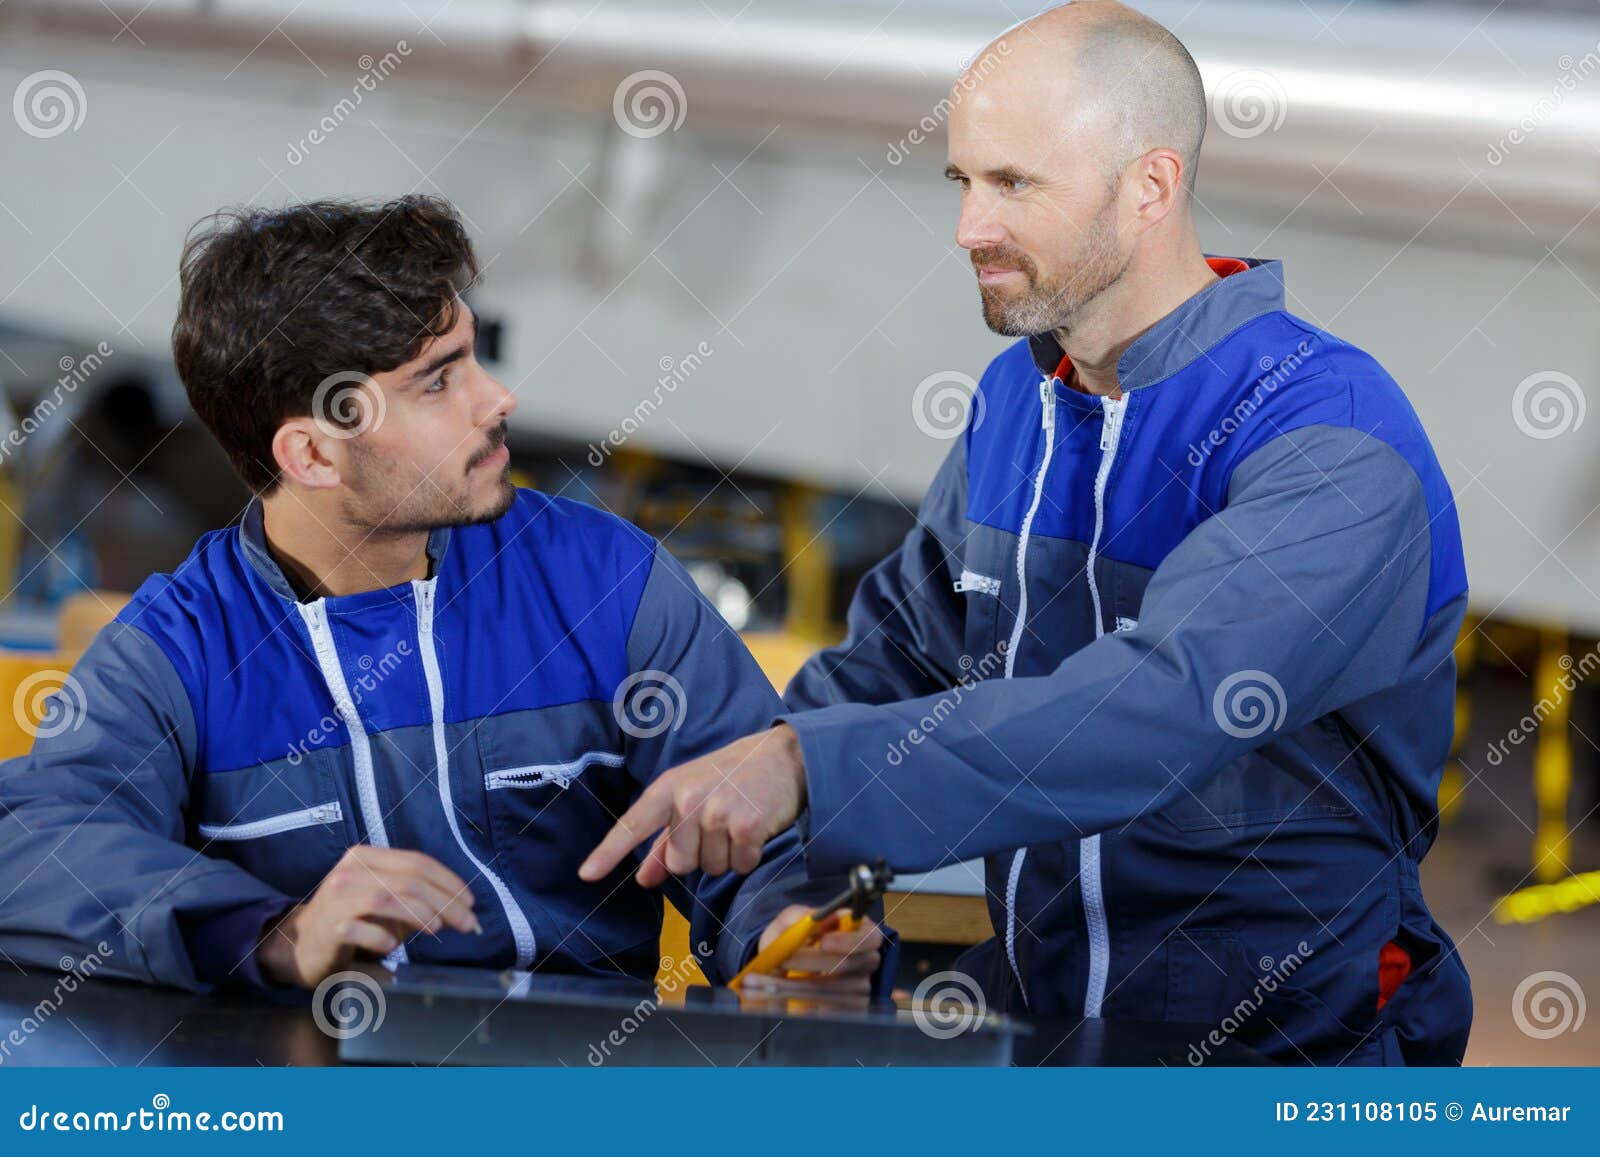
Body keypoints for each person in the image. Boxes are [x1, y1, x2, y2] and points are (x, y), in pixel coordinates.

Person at [582, 0, 1471, 1064]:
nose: (968, 227)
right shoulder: (1020, 404)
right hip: (1042, 1034)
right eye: (962, 180)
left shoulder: (1327, 432)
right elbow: (895, 665)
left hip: (1290, 1052)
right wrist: (787, 898)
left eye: (1014, 183)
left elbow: (1162, 706)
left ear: (1150, 186)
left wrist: (811, 769)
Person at [0, 196, 884, 996]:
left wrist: (791, 928)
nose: (498, 399)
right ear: (311, 455)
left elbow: (758, 829)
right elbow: (36, 852)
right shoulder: (177, 645)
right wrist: (275, 931)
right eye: (438, 380)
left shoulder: (606, 580)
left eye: (476, 359)